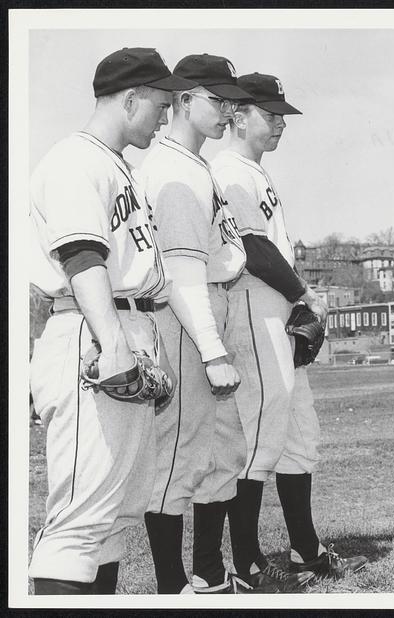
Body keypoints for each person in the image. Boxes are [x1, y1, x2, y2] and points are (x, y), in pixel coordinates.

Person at [28, 47, 194, 594]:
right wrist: (116, 345)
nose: (166, 118)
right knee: (79, 524)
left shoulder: (115, 163)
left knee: (115, 519)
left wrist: (141, 345)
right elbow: (81, 257)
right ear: (130, 98)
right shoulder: (75, 160)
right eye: (161, 105)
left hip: (121, 328)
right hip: (90, 333)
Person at [140, 54, 307, 595]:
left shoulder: (199, 166)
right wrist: (213, 351)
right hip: (184, 316)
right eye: (216, 98)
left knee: (222, 451)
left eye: (231, 100)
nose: (226, 109)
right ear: (183, 99)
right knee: (178, 454)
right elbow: (186, 272)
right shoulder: (171, 167)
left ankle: (211, 572)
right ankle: (173, 585)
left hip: (214, 305)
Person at [211, 72, 368, 581]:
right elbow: (254, 250)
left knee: (299, 433)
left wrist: (298, 302)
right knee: (260, 435)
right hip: (252, 307)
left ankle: (306, 550)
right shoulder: (229, 169)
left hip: (277, 309)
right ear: (238, 113)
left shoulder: (257, 172)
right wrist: (305, 294)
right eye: (269, 113)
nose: (280, 123)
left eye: (282, 115)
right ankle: (249, 562)